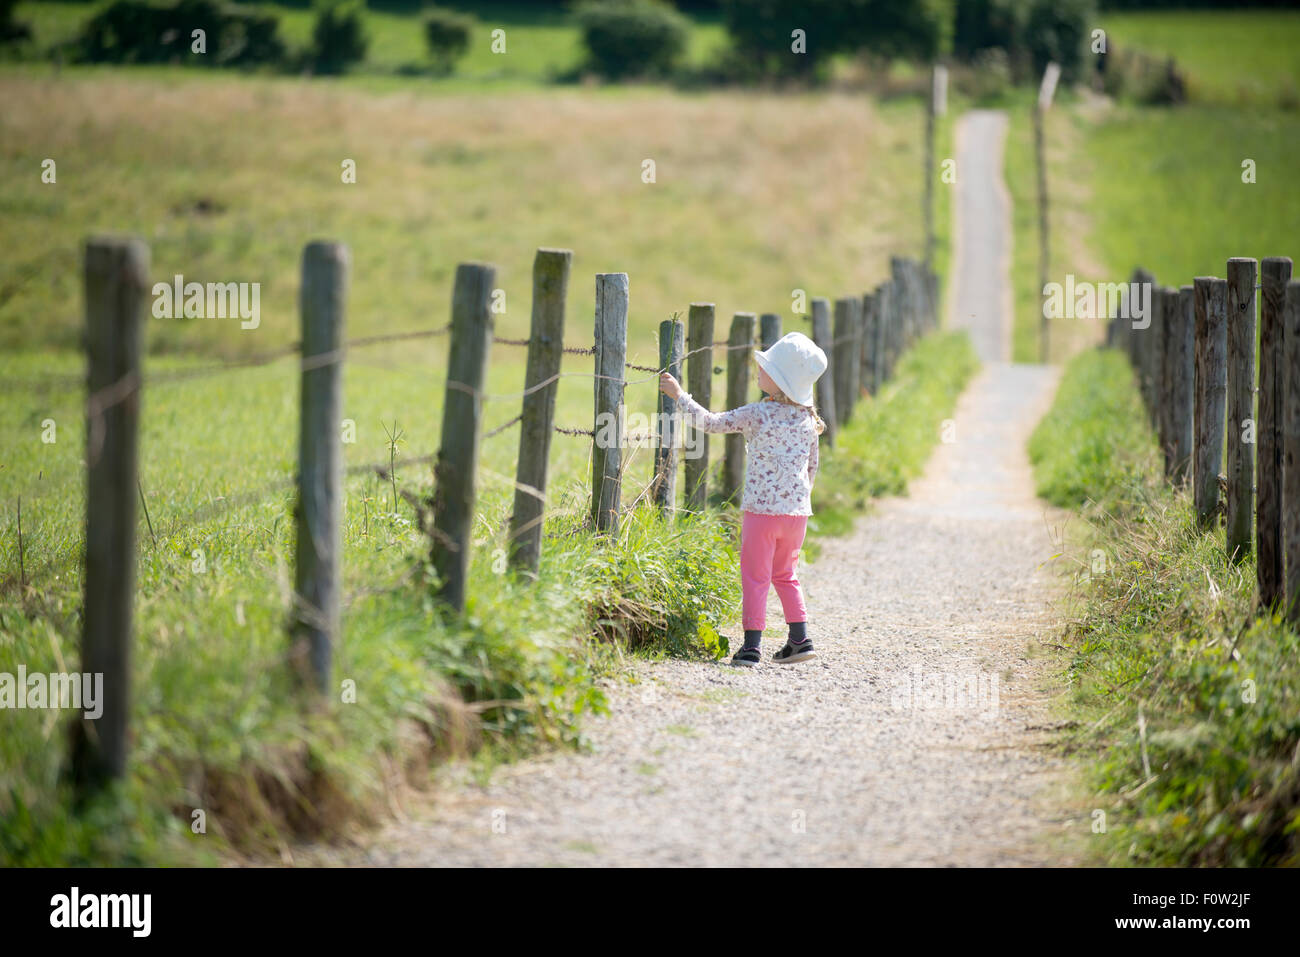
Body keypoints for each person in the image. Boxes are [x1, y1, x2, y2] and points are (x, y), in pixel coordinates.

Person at [659, 331, 828, 666]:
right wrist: (797, 499)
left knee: (755, 576)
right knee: (786, 574)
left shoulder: (757, 413)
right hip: (796, 516)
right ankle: (800, 638)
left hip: (761, 514)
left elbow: (710, 423)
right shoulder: (809, 421)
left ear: (780, 382)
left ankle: (751, 647)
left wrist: (679, 395)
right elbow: (812, 467)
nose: (758, 372)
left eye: (765, 369)